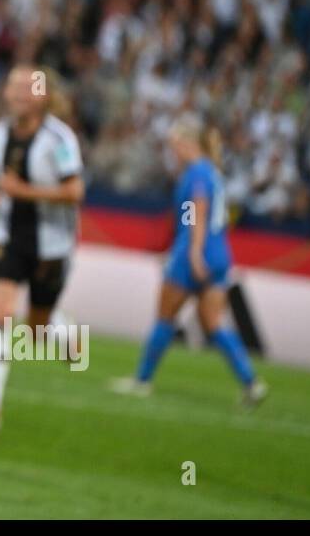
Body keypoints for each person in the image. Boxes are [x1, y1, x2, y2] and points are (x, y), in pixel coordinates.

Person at [112, 114, 269, 408]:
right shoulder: (213, 172)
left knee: (165, 316)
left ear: (186, 143)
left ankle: (142, 380)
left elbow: (197, 210)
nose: (172, 152)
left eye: (174, 145)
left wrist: (194, 252)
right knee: (214, 324)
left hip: (193, 252)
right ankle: (251, 382)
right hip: (220, 252)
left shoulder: (196, 173)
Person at [0, 65, 84, 433]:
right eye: (13, 86)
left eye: (26, 87)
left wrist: (26, 192)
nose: (17, 93)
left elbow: (74, 192)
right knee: (0, 315)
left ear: (44, 96)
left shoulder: (60, 139)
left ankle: (61, 329)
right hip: (6, 235)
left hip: (51, 244)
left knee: (35, 332)